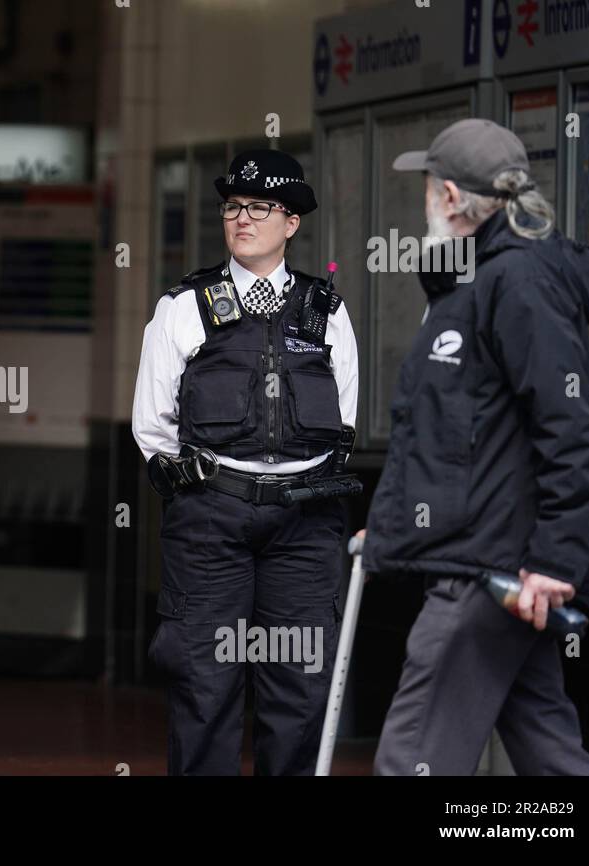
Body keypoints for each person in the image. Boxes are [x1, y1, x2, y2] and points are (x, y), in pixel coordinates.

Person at [363, 118, 589, 775]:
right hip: (496, 563)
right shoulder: (476, 283)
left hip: (492, 567)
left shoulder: (519, 283)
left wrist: (554, 561)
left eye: (426, 188)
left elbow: (568, 428)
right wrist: (392, 525)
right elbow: (453, 433)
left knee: (411, 757)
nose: (422, 203)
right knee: (549, 753)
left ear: (450, 196)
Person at [132, 149, 360, 775]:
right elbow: (152, 426)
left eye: (260, 207)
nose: (243, 218)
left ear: (291, 222)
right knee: (205, 685)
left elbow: (344, 418)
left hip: (306, 526)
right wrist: (198, 494)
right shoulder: (184, 306)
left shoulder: (326, 312)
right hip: (212, 522)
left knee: (299, 689)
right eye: (233, 206)